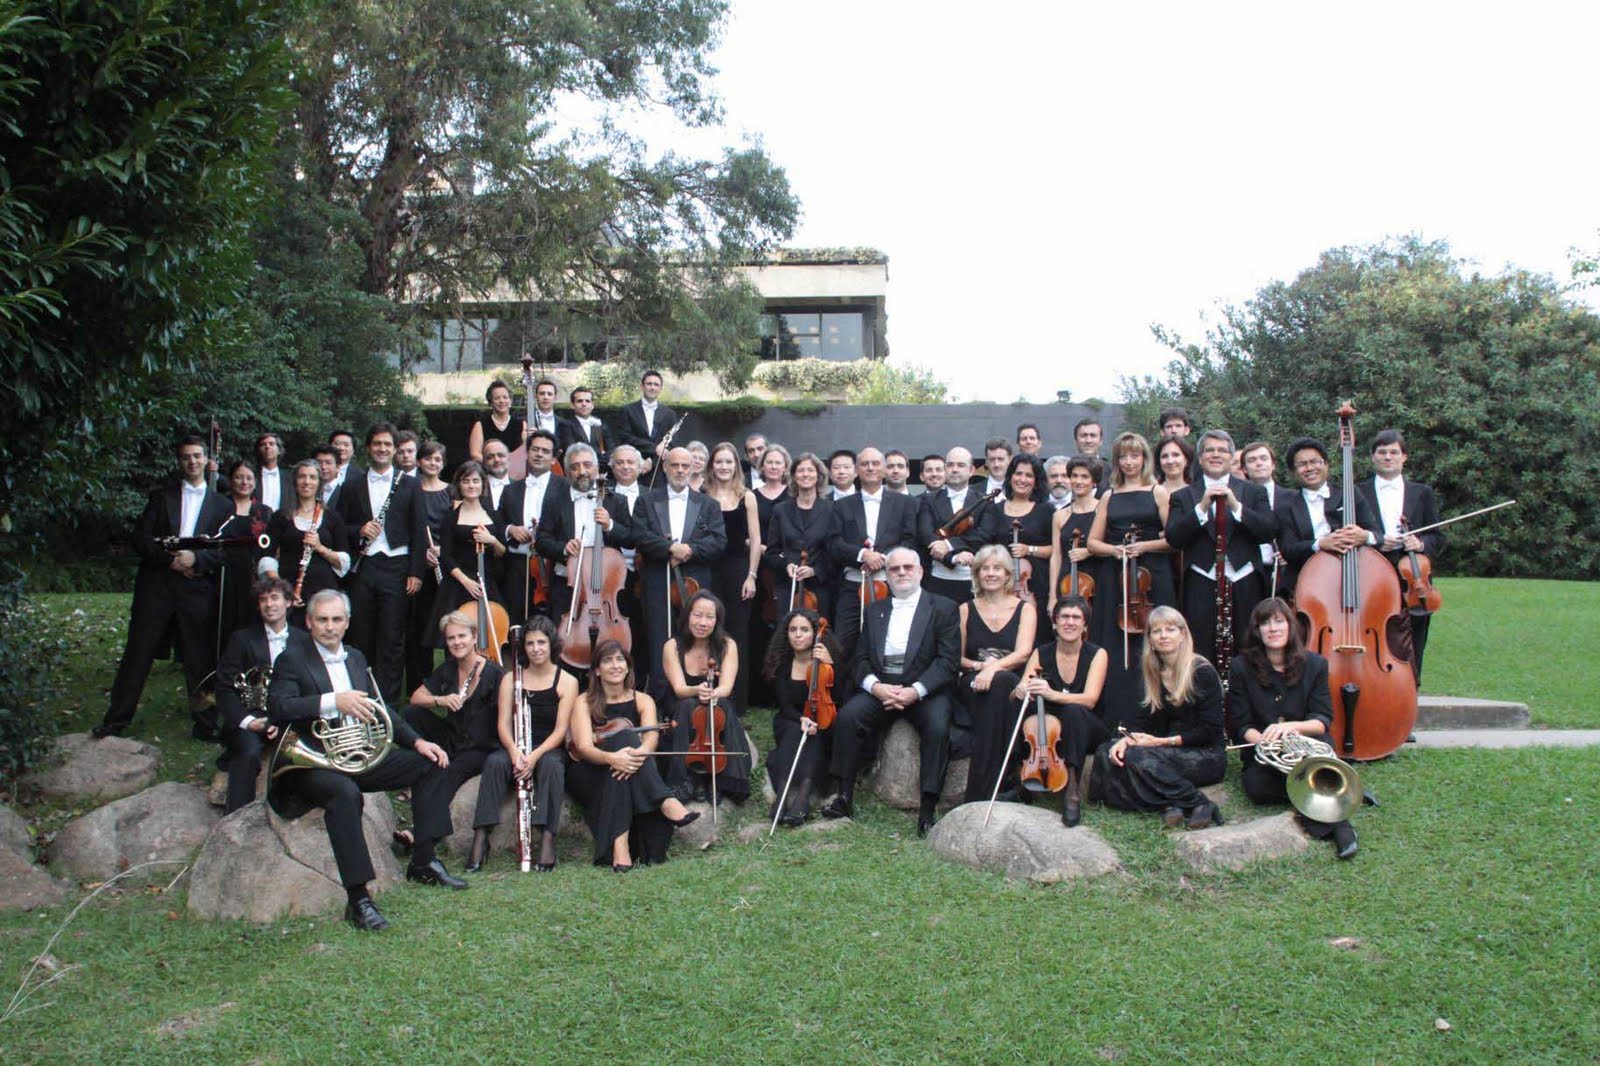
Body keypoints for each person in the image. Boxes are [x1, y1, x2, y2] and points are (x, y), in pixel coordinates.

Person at [267, 589, 466, 931]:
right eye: (323, 620)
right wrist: (332, 701)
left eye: (337, 619)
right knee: (345, 795)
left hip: (357, 757)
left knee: (432, 763)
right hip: (313, 763)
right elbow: (279, 707)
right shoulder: (292, 659)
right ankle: (358, 899)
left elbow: (381, 708)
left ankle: (423, 860)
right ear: (310, 622)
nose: (330, 627)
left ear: (347, 623)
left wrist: (418, 742)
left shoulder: (356, 658)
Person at [94, 435, 235, 739]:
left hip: (195, 587)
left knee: (200, 658)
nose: (192, 462)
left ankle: (206, 724)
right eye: (186, 457)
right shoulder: (161, 497)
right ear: (180, 461)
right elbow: (141, 538)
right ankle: (116, 720)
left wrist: (195, 558)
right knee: (138, 652)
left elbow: (224, 551)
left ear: (206, 460)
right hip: (157, 584)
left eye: (197, 456)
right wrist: (171, 560)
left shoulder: (223, 505)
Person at [822, 548, 961, 836]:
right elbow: (859, 660)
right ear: (887, 574)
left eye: (907, 567)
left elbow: (948, 662)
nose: (901, 573)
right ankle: (843, 796)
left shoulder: (944, 607)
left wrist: (916, 691)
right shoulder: (875, 610)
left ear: (921, 571)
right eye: (895, 569)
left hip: (925, 689)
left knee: (937, 726)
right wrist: (877, 687)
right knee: (848, 717)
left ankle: (927, 808)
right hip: (883, 687)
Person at [1227, 598, 1358, 859]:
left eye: (1279, 621)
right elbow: (1240, 724)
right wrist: (1264, 740)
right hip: (1267, 749)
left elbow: (1322, 719)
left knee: (1316, 764)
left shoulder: (1315, 664)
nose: (1273, 628)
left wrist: (1291, 729)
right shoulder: (1240, 667)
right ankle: (1325, 799)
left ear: (1290, 626)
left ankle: (1340, 825)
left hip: (1307, 744)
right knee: (1255, 786)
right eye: (1265, 623)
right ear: (1257, 630)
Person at [564, 640, 700, 869]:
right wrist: (612, 758)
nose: (615, 665)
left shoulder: (643, 700)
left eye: (620, 660)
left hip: (629, 768)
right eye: (607, 661)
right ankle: (664, 799)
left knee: (623, 759)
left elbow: (650, 741)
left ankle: (620, 847)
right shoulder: (584, 701)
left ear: (628, 667)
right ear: (597, 670)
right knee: (625, 737)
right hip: (590, 772)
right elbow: (585, 748)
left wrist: (632, 757)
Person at [1091, 607, 1225, 829]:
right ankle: (1171, 802)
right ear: (1150, 639)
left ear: (1183, 634)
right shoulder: (1153, 671)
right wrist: (1127, 739)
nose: (1163, 635)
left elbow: (1209, 730)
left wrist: (1161, 742)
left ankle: (1198, 802)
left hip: (1205, 754)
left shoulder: (1202, 671)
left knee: (1137, 759)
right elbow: (1144, 719)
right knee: (1107, 752)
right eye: (1156, 631)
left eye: (1170, 629)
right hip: (1167, 751)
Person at [1086, 432, 1175, 728]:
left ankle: (1157, 717)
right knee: (1116, 643)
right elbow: (1092, 543)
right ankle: (1118, 716)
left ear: (1144, 458)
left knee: (1155, 640)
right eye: (1123, 456)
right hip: (1118, 576)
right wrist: (1115, 550)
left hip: (1152, 577)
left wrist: (1145, 546)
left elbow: (1174, 539)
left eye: (1134, 455)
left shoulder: (1157, 491)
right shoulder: (1109, 496)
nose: (1128, 462)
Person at [405, 612, 506, 871]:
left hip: (481, 747)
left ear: (474, 637)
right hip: (453, 736)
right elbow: (416, 697)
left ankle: (423, 834)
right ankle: (419, 762)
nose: (457, 642)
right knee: (411, 715)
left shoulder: (495, 673)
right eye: (451, 638)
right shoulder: (449, 668)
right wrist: (440, 700)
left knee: (447, 773)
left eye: (462, 636)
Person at [1165, 429, 1276, 666]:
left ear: (1231, 456)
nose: (1216, 455)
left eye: (1222, 450)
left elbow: (1268, 530)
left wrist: (1237, 507)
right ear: (1200, 457)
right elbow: (1174, 538)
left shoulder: (1254, 492)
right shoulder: (1183, 496)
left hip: (1244, 580)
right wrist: (1201, 507)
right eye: (1209, 450)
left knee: (1249, 649)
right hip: (1201, 580)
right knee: (1201, 651)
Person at [337, 422, 427, 708]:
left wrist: (416, 572)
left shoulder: (410, 484)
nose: (383, 449)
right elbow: (340, 527)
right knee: (362, 633)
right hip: (364, 568)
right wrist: (359, 531)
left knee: (392, 635)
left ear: (395, 449)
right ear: (368, 448)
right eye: (377, 444)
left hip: (397, 566)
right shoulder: (351, 485)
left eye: (388, 445)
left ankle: (388, 702)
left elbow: (419, 530)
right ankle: (363, 697)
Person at [485, 617, 577, 871]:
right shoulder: (510, 679)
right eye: (530, 643)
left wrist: (533, 756)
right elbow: (503, 725)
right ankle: (481, 837)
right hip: (516, 746)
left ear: (551, 645)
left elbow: (561, 730)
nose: (536, 648)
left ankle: (548, 839)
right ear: (523, 647)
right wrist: (515, 753)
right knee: (494, 762)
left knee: (552, 766)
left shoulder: (567, 681)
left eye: (541, 642)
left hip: (549, 748)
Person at [631, 446, 726, 689]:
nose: (680, 470)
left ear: (693, 467)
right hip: (657, 580)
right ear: (664, 468)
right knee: (659, 637)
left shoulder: (708, 504)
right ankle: (661, 699)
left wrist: (689, 550)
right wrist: (670, 548)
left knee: (696, 637)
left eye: (685, 465)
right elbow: (639, 536)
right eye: (675, 465)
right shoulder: (646, 501)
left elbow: (718, 541)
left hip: (695, 581)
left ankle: (697, 692)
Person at [1010, 596, 1108, 826]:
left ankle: (1071, 791)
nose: (1069, 622)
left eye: (1076, 618)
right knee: (1019, 708)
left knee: (1074, 710)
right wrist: (1021, 690)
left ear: (1085, 625)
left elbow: (1090, 700)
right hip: (1052, 734)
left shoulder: (1097, 654)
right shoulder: (1041, 652)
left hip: (1087, 728)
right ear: (1054, 623)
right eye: (1064, 617)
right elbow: (1023, 685)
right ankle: (1018, 781)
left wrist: (1051, 694)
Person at [215, 578, 311, 812]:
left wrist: (286, 721)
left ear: (289, 602)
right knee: (247, 752)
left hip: (290, 718)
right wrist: (248, 722)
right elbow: (224, 688)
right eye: (263, 599)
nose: (269, 604)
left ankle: (289, 813)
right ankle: (235, 818)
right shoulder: (241, 639)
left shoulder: (305, 640)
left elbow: (311, 687)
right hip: (252, 717)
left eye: (275, 597)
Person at [1357, 429, 1443, 683]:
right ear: (1372, 457)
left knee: (1415, 637)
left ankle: (1410, 688)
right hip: (1374, 574)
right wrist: (1376, 541)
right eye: (1381, 452)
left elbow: (1437, 537)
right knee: (1373, 633)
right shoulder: (1357, 491)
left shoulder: (1422, 492)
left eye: (1394, 452)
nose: (1387, 457)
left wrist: (1419, 542)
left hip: (1415, 578)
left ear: (1404, 457)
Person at [957, 545, 1037, 805]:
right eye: (985, 569)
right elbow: (957, 658)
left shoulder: (1025, 608)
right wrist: (981, 668)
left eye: (997, 569)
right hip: (972, 680)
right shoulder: (966, 608)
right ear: (977, 575)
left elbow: (1024, 653)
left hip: (1008, 679)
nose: (990, 574)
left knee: (1002, 682)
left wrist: (993, 668)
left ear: (1007, 575)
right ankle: (1004, 784)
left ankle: (979, 793)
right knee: (998, 686)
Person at [660, 589, 753, 804]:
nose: (703, 622)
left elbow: (726, 687)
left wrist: (712, 693)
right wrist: (697, 690)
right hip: (681, 707)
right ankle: (686, 779)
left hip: (715, 706)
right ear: (687, 616)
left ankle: (717, 779)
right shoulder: (672, 646)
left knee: (720, 704)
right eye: (698, 615)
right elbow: (680, 689)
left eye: (709, 617)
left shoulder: (727, 645)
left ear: (717, 621)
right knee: (687, 705)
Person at [826, 445, 920, 657]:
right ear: (857, 470)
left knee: (889, 640)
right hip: (852, 585)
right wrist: (862, 555)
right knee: (843, 643)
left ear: (885, 469)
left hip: (891, 583)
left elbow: (910, 539)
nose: (870, 468)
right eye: (865, 464)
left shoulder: (906, 503)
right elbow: (833, 542)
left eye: (876, 463)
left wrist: (883, 558)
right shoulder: (841, 506)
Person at [533, 442, 632, 626]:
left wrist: (610, 525)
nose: (582, 471)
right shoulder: (555, 501)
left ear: (597, 467)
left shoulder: (616, 501)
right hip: (567, 583)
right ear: (567, 471)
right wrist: (563, 548)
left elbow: (631, 539)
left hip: (605, 586)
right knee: (565, 641)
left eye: (587, 465)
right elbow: (541, 540)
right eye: (575, 466)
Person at [761, 608, 845, 826]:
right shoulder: (782, 663)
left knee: (814, 735)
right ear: (786, 634)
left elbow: (841, 697)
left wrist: (832, 665)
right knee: (793, 730)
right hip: (791, 719)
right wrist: (801, 719)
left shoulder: (828, 662)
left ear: (816, 634)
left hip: (822, 721)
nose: (798, 635)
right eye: (793, 630)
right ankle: (781, 796)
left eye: (805, 630)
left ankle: (803, 798)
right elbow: (785, 706)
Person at [1274, 436, 1381, 593]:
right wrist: (1319, 544)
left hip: (1355, 575)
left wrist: (1365, 536)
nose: (1310, 468)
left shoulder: (1350, 493)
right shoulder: (1285, 506)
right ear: (1293, 472)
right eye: (1302, 464)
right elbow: (1288, 549)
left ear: (1326, 464)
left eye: (1315, 461)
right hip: (1308, 581)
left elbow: (1378, 534)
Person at [425, 461, 508, 650]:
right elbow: (446, 556)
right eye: (466, 481)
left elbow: (503, 552)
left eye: (475, 481)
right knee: (456, 638)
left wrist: (492, 540)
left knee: (490, 634)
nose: (471, 486)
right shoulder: (450, 518)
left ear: (483, 484)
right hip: (458, 584)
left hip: (486, 583)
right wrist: (466, 582)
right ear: (459, 485)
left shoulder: (494, 516)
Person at [703, 442, 762, 707]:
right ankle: (708, 691)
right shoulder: (702, 494)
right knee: (708, 629)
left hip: (738, 570)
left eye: (729, 462)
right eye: (719, 462)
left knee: (737, 633)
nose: (724, 467)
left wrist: (751, 575)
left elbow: (756, 538)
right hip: (708, 569)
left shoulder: (746, 496)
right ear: (711, 466)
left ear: (736, 466)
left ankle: (737, 699)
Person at [262, 459, 351, 627]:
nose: (307, 482)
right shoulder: (281, 517)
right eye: (302, 477)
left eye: (312, 477)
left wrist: (320, 547)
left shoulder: (333, 518)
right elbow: (266, 558)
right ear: (295, 481)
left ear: (319, 483)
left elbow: (344, 562)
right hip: (289, 591)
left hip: (323, 592)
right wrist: (283, 589)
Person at [500, 428, 566, 624]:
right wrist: (509, 529)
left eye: (545, 451)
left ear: (554, 458)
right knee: (517, 620)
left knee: (553, 622)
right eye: (535, 449)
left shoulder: (565, 487)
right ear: (527, 454)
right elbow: (498, 522)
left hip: (552, 564)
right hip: (518, 564)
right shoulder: (510, 490)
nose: (539, 454)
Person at [765, 452, 835, 623]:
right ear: (794, 476)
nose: (805, 474)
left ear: (819, 476)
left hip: (819, 587)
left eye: (810, 470)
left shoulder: (831, 510)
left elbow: (835, 552)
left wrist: (815, 570)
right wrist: (786, 564)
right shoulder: (781, 510)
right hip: (788, 587)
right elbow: (771, 553)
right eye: (801, 470)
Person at [918, 445, 991, 605]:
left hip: (975, 582)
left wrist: (949, 544)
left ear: (972, 470)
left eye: (960, 465)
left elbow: (983, 536)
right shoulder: (928, 500)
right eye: (950, 465)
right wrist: (953, 557)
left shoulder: (984, 501)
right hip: (938, 580)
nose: (954, 469)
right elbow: (926, 535)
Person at [409, 441, 452, 691]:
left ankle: (451, 679)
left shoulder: (451, 492)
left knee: (449, 624)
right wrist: (422, 553)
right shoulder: (411, 490)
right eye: (428, 459)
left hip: (446, 566)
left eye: (438, 459)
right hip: (421, 566)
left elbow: (456, 527)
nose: (433, 463)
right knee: (422, 627)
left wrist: (442, 551)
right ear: (418, 462)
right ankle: (422, 681)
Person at [216, 459, 274, 639]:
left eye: (249, 478)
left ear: (255, 482)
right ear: (231, 480)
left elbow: (270, 545)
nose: (244, 482)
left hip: (252, 573)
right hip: (222, 571)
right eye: (239, 477)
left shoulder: (264, 511)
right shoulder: (219, 506)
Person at [992, 452, 1054, 609]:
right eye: (1018, 473)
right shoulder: (994, 510)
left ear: (1036, 481)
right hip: (1001, 584)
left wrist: (1029, 549)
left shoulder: (1046, 511)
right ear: (1010, 477)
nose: (1022, 479)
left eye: (1029, 475)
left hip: (1035, 584)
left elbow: (1055, 550)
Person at [1047, 456, 1102, 612]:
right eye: (1074, 476)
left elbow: (1112, 545)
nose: (1078, 481)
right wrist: (1052, 597)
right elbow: (1056, 556)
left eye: (1085, 477)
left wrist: (1089, 551)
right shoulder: (1059, 515)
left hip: (1098, 578)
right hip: (1066, 581)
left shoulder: (1103, 509)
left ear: (1094, 481)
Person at [1240, 441, 1285, 596]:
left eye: (1263, 458)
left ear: (1273, 465)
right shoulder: (1236, 500)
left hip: (1283, 572)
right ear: (1244, 469)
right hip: (1249, 572)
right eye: (1252, 460)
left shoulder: (1292, 498)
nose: (1258, 463)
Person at [618, 369, 677, 475]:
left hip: (659, 470)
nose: (652, 387)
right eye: (649, 384)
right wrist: (654, 449)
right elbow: (626, 438)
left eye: (656, 384)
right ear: (642, 386)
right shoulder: (628, 410)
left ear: (660, 388)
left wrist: (651, 461)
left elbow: (671, 443)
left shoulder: (670, 414)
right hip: (633, 467)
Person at [468, 379, 525, 464]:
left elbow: (527, 451)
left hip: (514, 471)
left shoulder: (522, 425)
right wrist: (495, 464)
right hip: (488, 472)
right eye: (497, 398)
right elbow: (475, 454)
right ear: (490, 403)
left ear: (510, 401)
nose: (502, 401)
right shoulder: (480, 425)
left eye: (505, 397)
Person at [556, 385, 609, 467]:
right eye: (580, 401)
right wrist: (600, 453)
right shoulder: (565, 425)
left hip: (602, 471)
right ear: (572, 405)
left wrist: (600, 464)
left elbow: (612, 450)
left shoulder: (600, 425)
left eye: (587, 401)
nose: (584, 404)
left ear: (592, 405)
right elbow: (572, 451)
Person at [253, 433, 290, 514]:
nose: (267, 446)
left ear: (279, 450)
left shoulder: (290, 478)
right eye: (263, 444)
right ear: (258, 451)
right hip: (255, 523)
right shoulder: (251, 476)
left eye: (271, 444)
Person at [480, 439, 513, 513]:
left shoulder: (521, 486)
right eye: (490, 457)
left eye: (501, 455)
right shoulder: (478, 488)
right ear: (484, 462)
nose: (496, 459)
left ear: (509, 458)